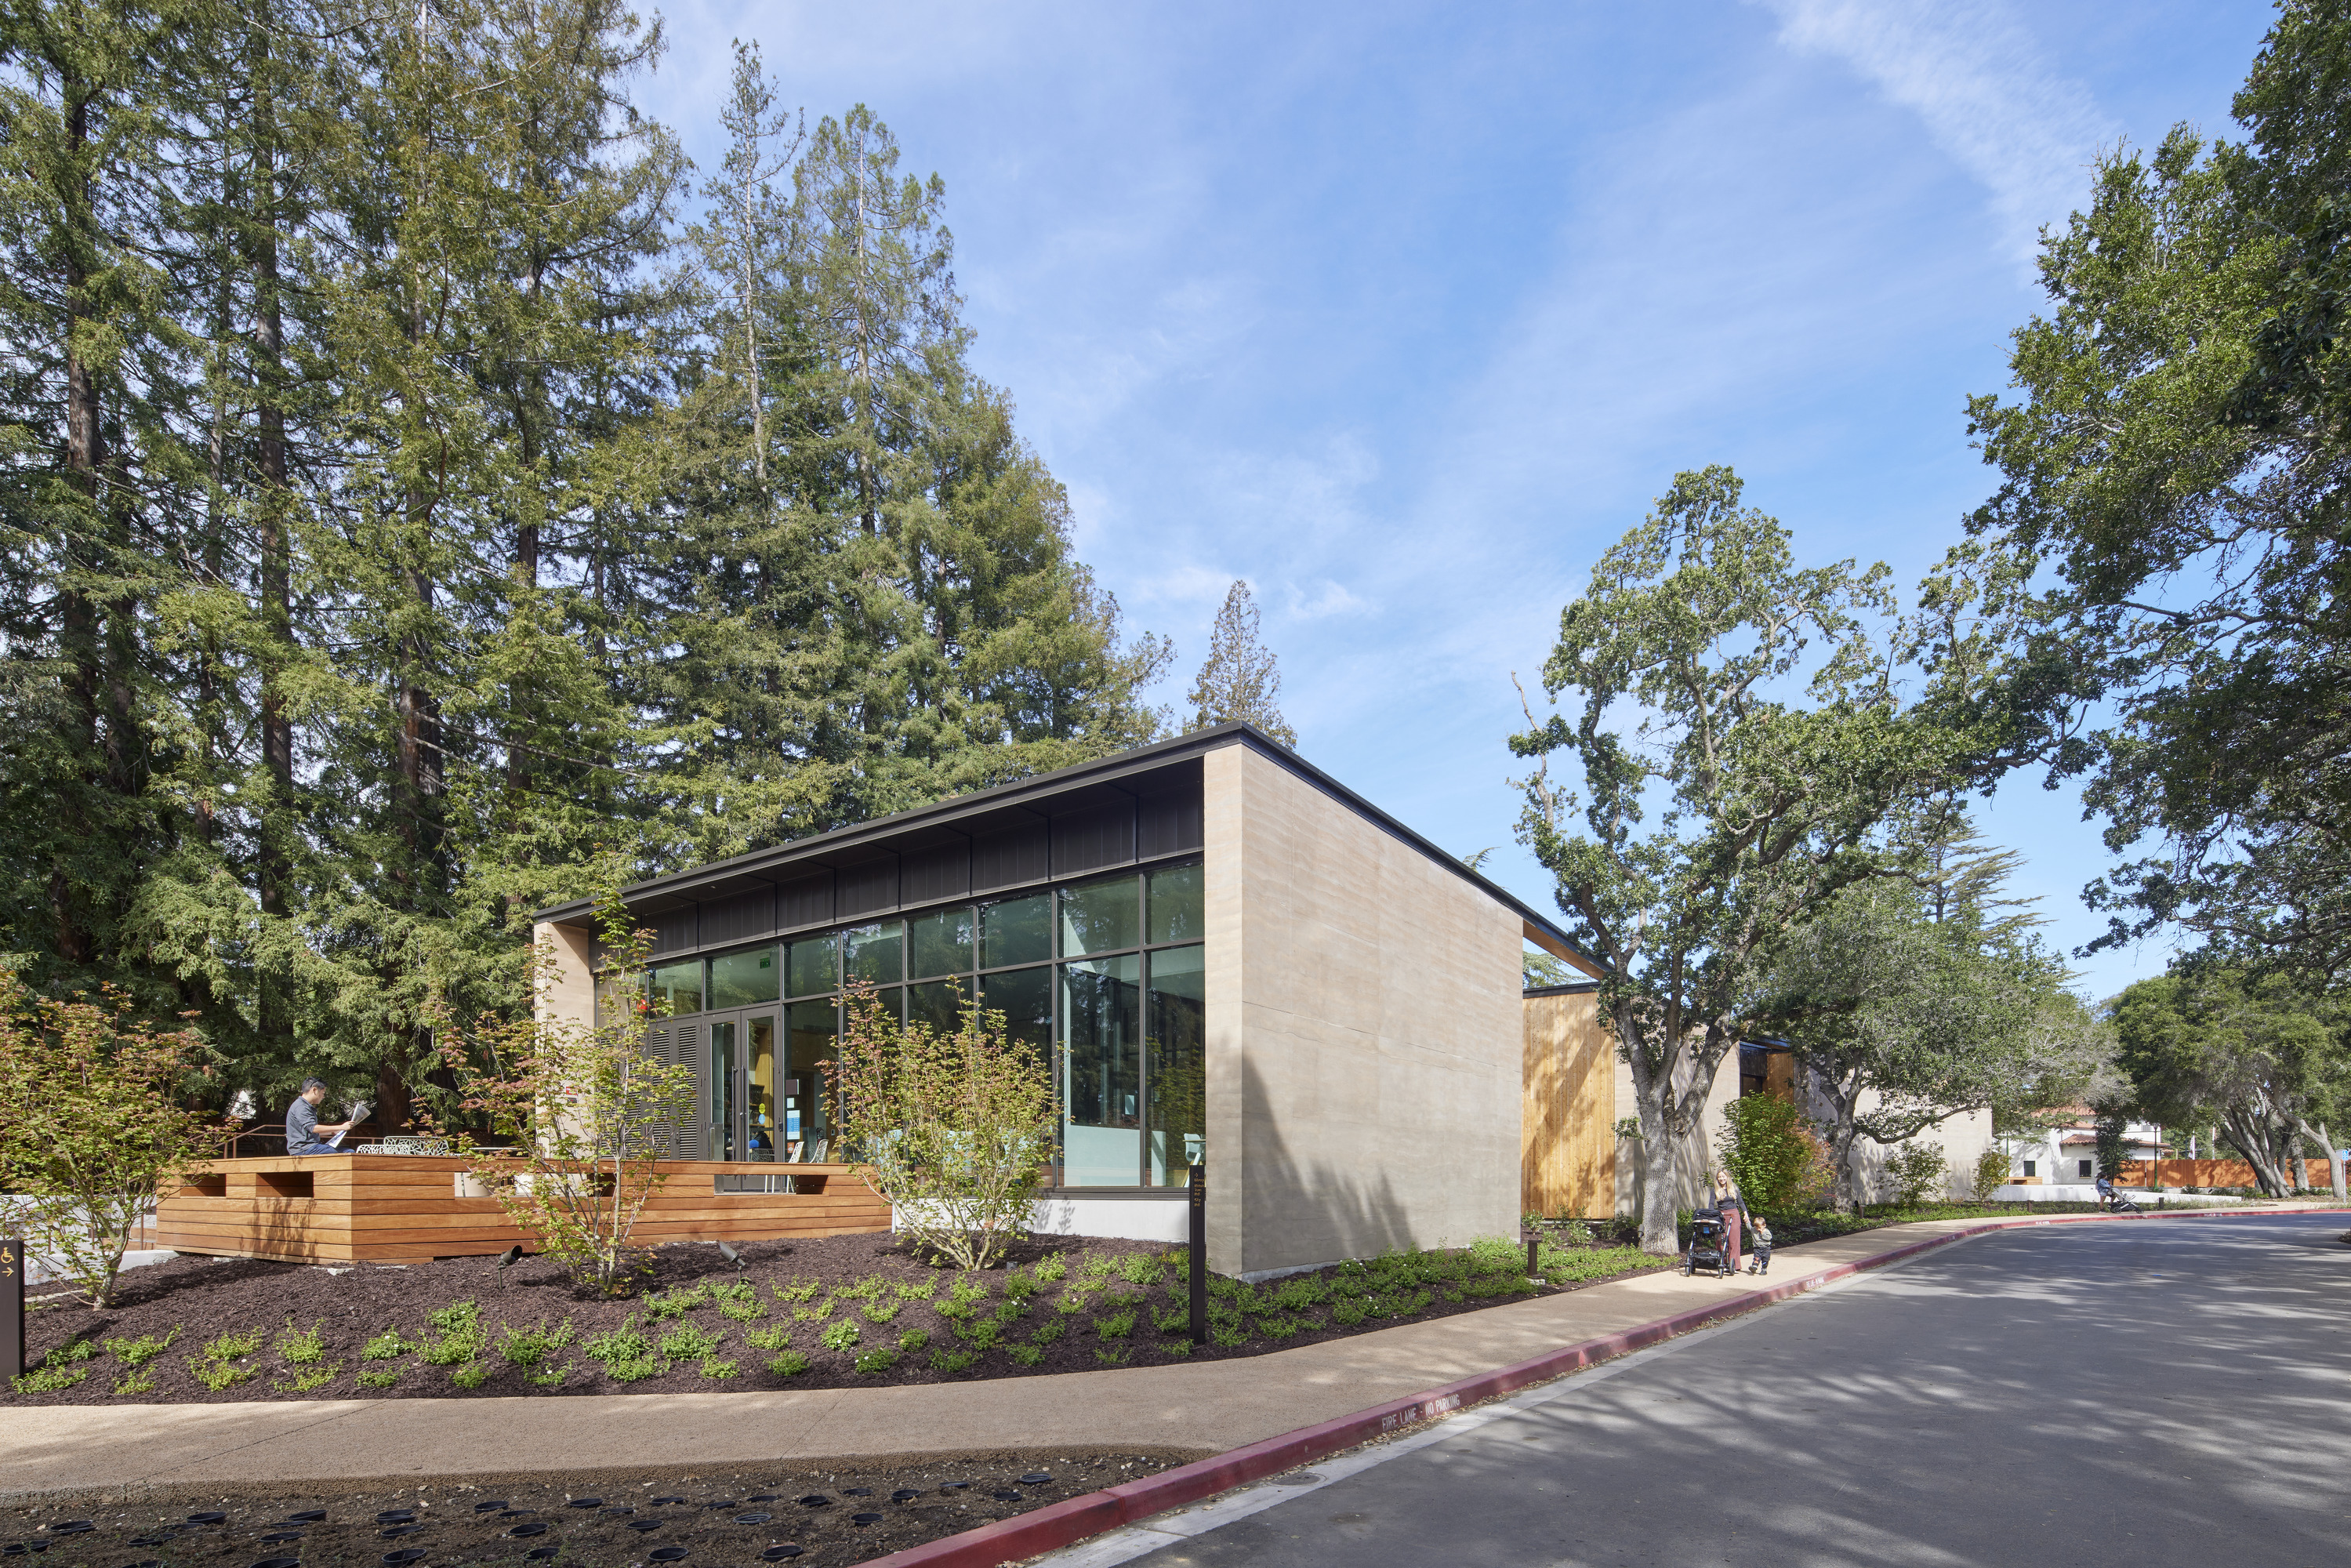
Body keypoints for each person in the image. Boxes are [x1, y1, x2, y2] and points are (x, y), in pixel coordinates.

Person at [285, 1078, 357, 1156]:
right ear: (314, 1090)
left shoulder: (303, 1106)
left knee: (347, 1151)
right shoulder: (301, 1107)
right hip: (304, 1149)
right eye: (323, 1093)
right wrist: (341, 1127)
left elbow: (307, 1133)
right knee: (347, 1153)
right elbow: (313, 1128)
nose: (323, 1097)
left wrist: (332, 1132)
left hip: (307, 1148)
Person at [1711, 1171, 1744, 1275]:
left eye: (1723, 1176)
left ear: (1727, 1177)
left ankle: (1734, 1265)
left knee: (1733, 1241)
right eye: (1719, 1177)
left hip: (1734, 1214)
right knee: (1720, 1240)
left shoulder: (1734, 1187)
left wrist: (1745, 1214)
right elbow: (1711, 1203)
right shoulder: (1715, 1189)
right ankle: (1722, 1263)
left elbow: (1740, 1202)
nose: (1721, 1179)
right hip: (1721, 1216)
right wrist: (1711, 1216)